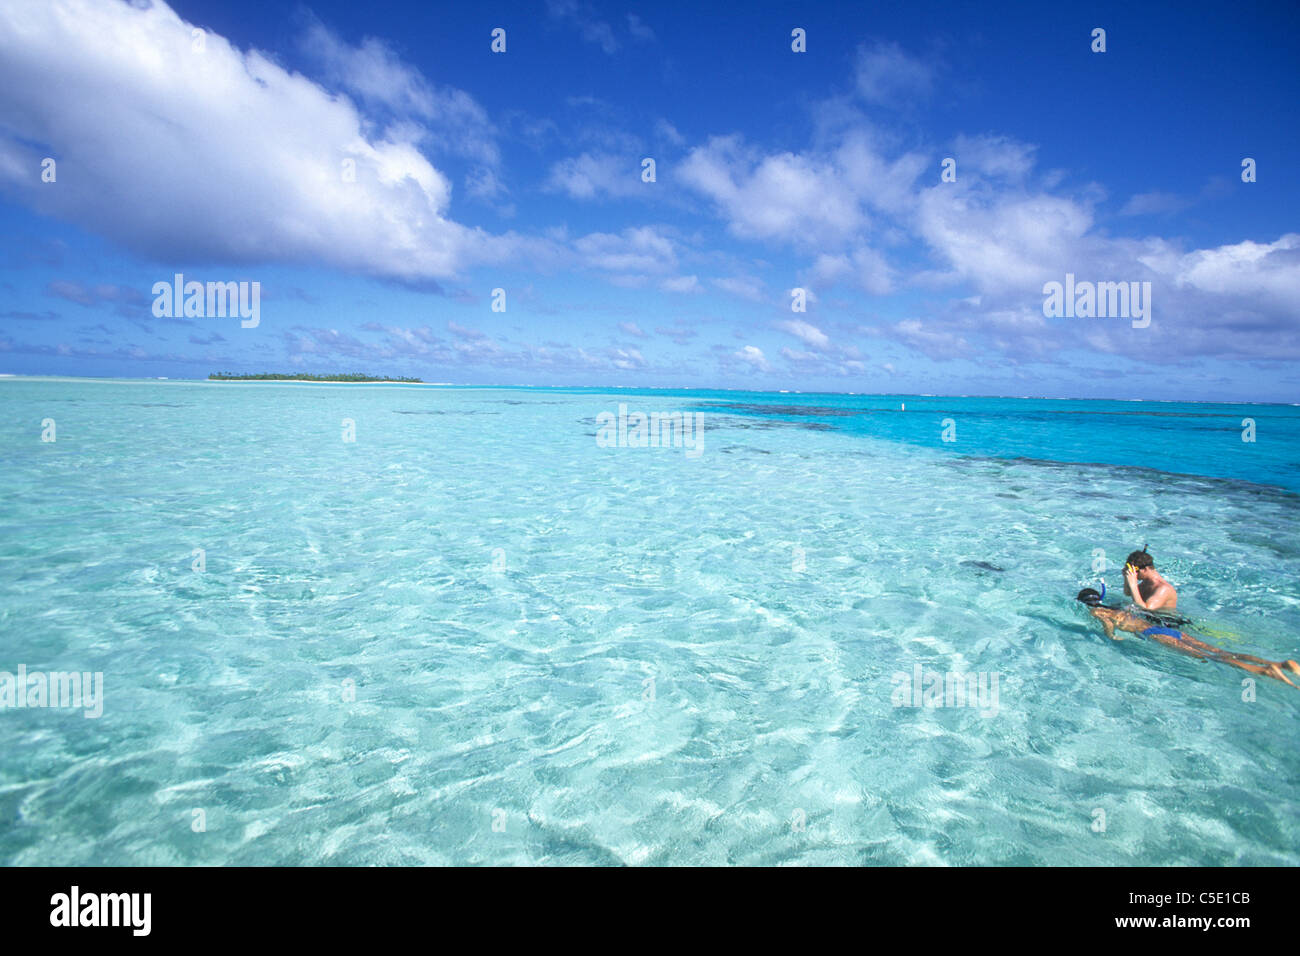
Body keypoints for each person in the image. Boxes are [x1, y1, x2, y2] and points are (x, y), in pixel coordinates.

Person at [1076, 588, 1299, 686]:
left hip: (1152, 634)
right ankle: (1278, 663)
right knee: (1221, 651)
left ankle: (1264, 671)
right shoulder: (1118, 606)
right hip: (1170, 630)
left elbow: (1107, 626)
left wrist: (1111, 638)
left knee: (1210, 657)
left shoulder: (1097, 611)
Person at [1122, 548, 1177, 612]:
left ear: (1145, 569)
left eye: (1134, 570)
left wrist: (1133, 584)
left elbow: (1145, 610)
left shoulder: (1164, 589)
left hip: (1163, 620)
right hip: (1148, 617)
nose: (1132, 573)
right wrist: (1126, 577)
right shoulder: (1146, 582)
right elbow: (1128, 593)